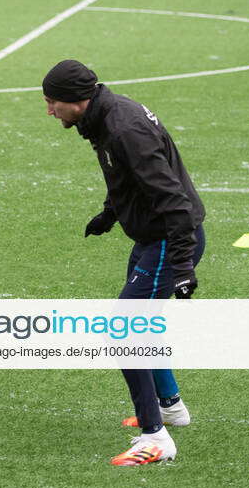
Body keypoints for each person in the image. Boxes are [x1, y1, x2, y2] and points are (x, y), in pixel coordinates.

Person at [41, 59, 205, 466]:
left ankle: (157, 439)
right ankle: (170, 408)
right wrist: (110, 213)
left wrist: (183, 268)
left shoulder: (123, 128)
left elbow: (173, 200)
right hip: (152, 238)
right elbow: (128, 181)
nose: (49, 111)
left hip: (168, 239)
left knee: (124, 331)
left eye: (51, 102)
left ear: (76, 101)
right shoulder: (102, 118)